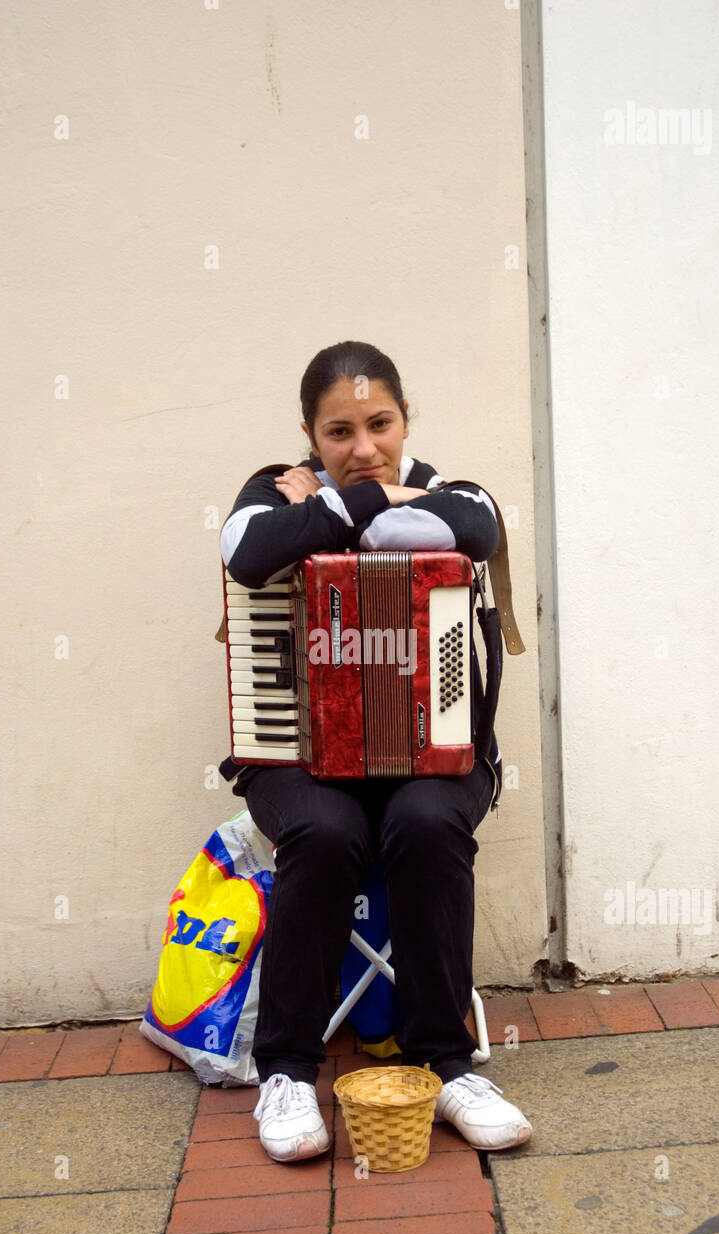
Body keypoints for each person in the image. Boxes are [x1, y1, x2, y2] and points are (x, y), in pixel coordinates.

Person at [218, 341, 532, 1162]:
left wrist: (344, 506)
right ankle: (285, 1072)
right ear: (308, 434)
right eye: (339, 432)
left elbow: (476, 524)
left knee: (427, 822)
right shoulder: (268, 491)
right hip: (297, 758)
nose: (362, 449)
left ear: (405, 418)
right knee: (323, 834)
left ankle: (448, 1063)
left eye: (380, 425)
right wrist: (370, 502)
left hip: (436, 756)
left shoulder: (450, 487)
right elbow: (247, 552)